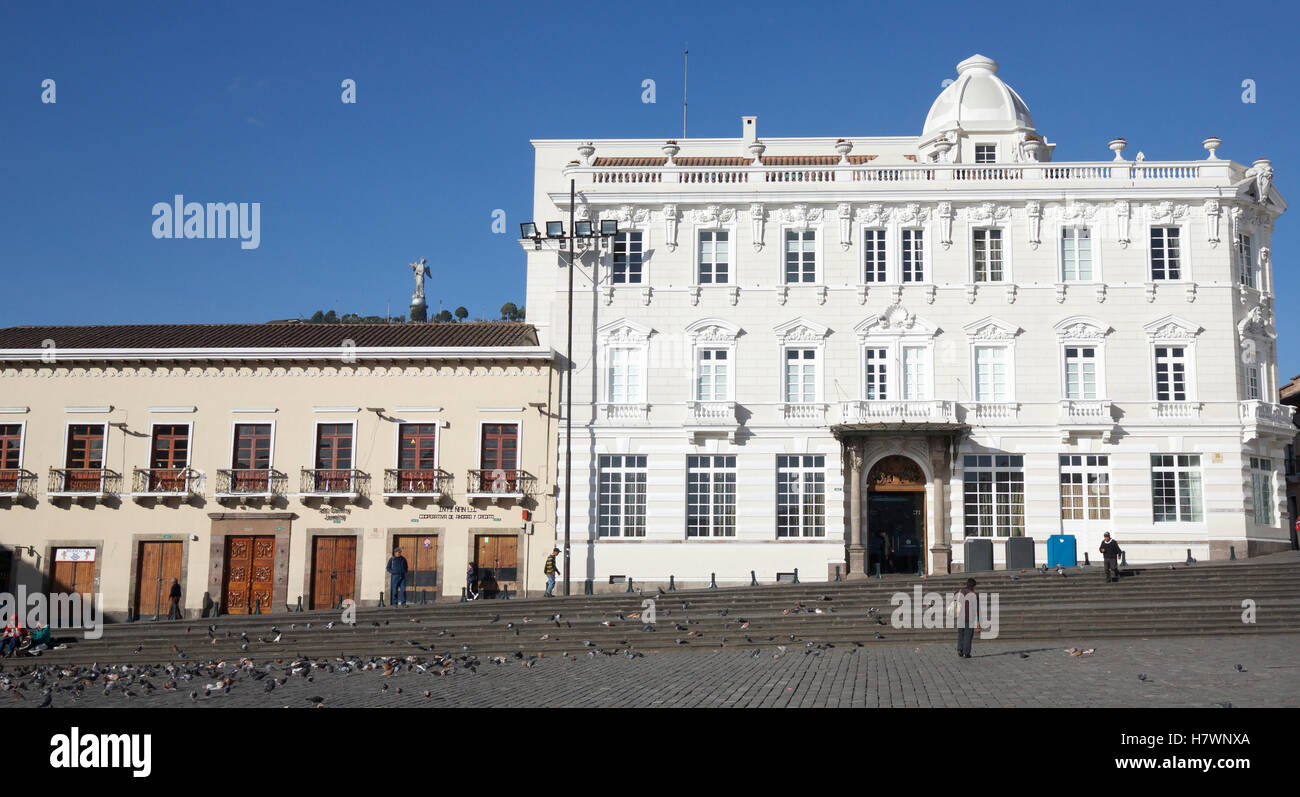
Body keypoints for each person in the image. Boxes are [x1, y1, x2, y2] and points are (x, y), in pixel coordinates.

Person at [955, 578, 981, 659]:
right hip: (969, 617)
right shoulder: (974, 595)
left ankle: (960, 649)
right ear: (973, 586)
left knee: (961, 633)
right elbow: (977, 609)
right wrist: (978, 621)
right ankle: (966, 653)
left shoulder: (959, 592)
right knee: (968, 635)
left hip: (960, 616)